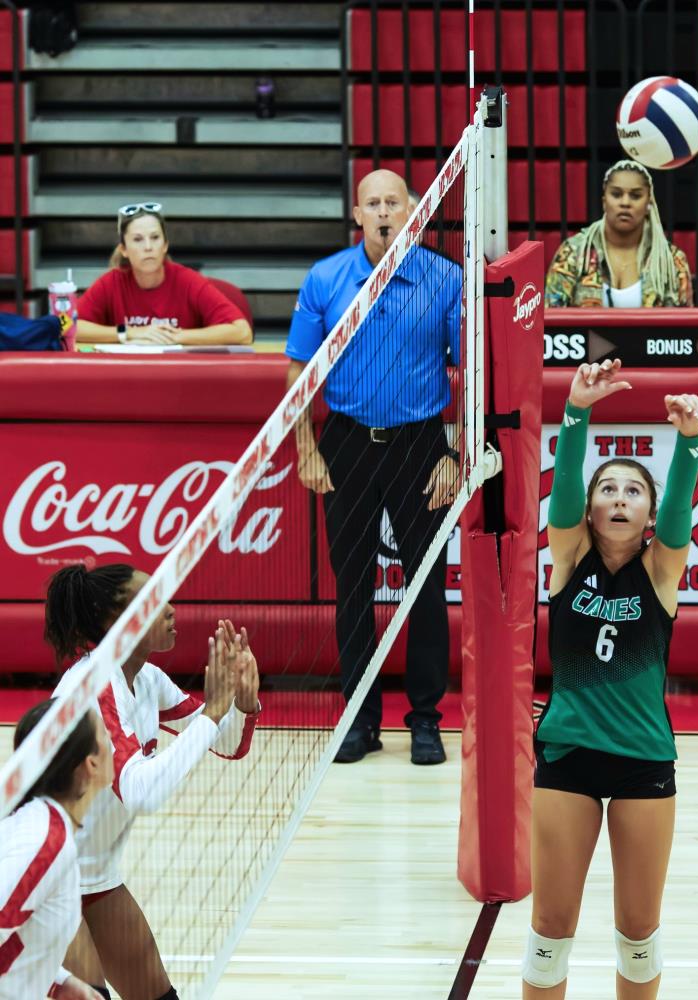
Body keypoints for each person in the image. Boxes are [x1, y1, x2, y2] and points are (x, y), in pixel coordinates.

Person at [523, 359, 698, 999]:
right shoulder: (567, 560)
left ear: (649, 510)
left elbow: (681, 515)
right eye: (609, 489)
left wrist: (689, 443)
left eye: (634, 491)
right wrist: (575, 413)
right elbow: (563, 489)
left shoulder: (661, 574)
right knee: (549, 930)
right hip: (568, 755)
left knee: (638, 933)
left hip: (643, 763)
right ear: (590, 510)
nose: (619, 498)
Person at [285, 168, 461, 766]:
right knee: (353, 587)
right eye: (373, 203)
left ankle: (426, 720)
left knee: (427, 589)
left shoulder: (445, 278)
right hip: (348, 444)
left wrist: (455, 450)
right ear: (356, 215)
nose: (384, 211)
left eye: (395, 201)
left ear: (413, 211)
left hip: (421, 446)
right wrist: (307, 449)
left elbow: (470, 373)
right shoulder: (326, 278)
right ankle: (359, 719)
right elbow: (299, 371)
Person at [45, 564, 261, 1000]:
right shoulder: (92, 688)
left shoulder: (146, 681)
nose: (169, 609)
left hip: (95, 874)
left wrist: (242, 702)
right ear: (115, 622)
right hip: (46, 880)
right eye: (151, 602)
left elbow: (225, 744)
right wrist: (214, 713)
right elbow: (142, 792)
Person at [1, 701, 113, 1000]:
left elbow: (15, 936)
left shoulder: (47, 829)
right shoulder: (44, 841)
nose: (115, 744)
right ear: (91, 763)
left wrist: (57, 982)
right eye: (107, 735)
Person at [76, 203, 253, 346]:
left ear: (165, 244)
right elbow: (69, 328)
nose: (148, 247)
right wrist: (130, 332)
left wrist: (176, 336)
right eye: (138, 239)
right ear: (124, 250)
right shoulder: (111, 282)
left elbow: (243, 332)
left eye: (155, 237)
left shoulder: (188, 281)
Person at [545, 160, 693, 308]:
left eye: (635, 196)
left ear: (649, 203)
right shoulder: (573, 252)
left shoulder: (670, 260)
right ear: (604, 201)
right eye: (616, 194)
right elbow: (550, 316)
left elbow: (685, 324)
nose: (625, 202)